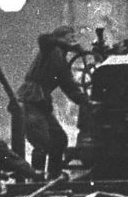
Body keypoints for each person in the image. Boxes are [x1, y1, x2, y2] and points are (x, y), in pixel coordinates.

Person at [18, 26, 89, 178]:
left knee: (59, 139)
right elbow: (43, 39)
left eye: (74, 37)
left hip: (41, 103)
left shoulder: (62, 61)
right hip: (31, 100)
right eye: (70, 37)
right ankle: (37, 179)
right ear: (60, 37)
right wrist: (66, 44)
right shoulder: (49, 49)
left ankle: (54, 175)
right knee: (42, 143)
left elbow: (70, 88)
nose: (73, 40)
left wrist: (87, 102)